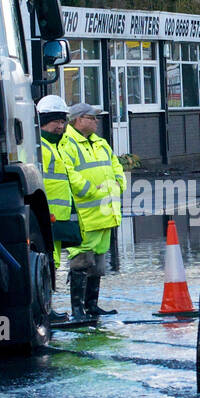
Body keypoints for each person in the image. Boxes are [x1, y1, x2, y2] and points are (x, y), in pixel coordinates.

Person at [60, 102, 126, 320]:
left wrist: (119, 183)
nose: (96, 122)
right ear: (78, 120)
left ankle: (91, 305)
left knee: (97, 262)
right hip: (86, 215)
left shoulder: (100, 143)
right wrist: (91, 190)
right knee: (80, 260)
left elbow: (116, 166)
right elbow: (69, 174)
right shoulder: (67, 143)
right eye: (92, 118)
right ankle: (78, 309)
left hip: (105, 213)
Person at [37, 94, 74, 323]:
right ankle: (46, 311)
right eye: (56, 122)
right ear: (44, 121)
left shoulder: (55, 145)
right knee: (48, 263)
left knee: (53, 263)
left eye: (63, 122)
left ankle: (48, 310)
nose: (60, 126)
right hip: (47, 216)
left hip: (56, 217)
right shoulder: (43, 147)